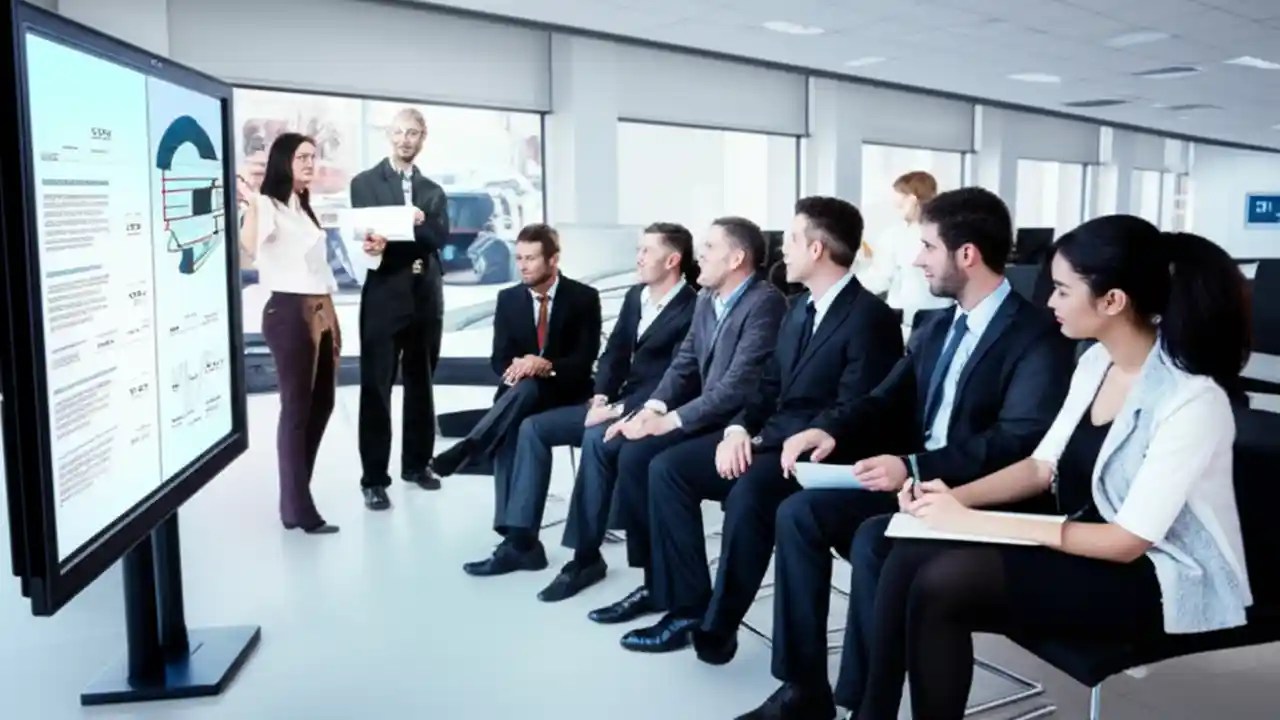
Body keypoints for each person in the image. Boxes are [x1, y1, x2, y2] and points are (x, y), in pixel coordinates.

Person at [848, 216, 1254, 720]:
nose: (1049, 303)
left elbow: (1128, 541)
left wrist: (973, 521)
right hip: (1089, 539)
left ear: (1112, 301)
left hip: (1156, 576)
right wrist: (950, 501)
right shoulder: (1094, 364)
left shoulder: (1192, 400)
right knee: (899, 541)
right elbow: (1042, 467)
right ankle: (872, 712)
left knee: (942, 583)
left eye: (1062, 290)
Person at [737, 186, 1076, 720]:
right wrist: (827, 429)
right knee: (798, 513)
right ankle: (804, 688)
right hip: (917, 483)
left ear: (967, 255)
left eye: (927, 248)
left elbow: (1014, 442)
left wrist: (915, 467)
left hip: (978, 495)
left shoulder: (1036, 337)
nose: (916, 260)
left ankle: (864, 705)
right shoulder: (934, 324)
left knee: (876, 541)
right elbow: (882, 399)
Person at [621, 197, 903, 657]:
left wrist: (761, 440)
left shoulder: (870, 318)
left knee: (750, 490)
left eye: (792, 239)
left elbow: (858, 410)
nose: (782, 250)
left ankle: (719, 623)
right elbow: (766, 386)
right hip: (772, 438)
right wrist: (738, 431)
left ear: (816, 249)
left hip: (820, 452)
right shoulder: (799, 310)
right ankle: (690, 606)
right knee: (668, 468)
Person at [537, 217, 788, 614]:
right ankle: (656, 582)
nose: (699, 255)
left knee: (652, 462)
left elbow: (738, 387)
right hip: (705, 414)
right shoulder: (709, 298)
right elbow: (685, 363)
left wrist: (667, 421)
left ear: (737, 257)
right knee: (629, 448)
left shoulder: (765, 303)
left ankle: (681, 598)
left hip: (740, 424)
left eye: (709, 247)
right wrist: (650, 410)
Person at [461, 223, 699, 576]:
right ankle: (521, 543)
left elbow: (677, 379)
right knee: (531, 427)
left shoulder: (693, 307)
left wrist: (617, 409)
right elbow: (614, 354)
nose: (638, 257)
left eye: (646, 251)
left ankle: (584, 557)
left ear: (672, 260)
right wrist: (602, 395)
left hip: (651, 410)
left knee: (594, 435)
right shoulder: (637, 297)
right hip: (608, 401)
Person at [429, 224, 603, 559]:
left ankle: (473, 445)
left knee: (526, 393)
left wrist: (543, 364)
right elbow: (498, 359)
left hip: (568, 392)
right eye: (519, 258)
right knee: (519, 413)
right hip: (522, 395)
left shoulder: (583, 298)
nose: (522, 265)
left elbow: (584, 360)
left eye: (531, 258)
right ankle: (517, 540)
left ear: (553, 260)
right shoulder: (508, 299)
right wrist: (521, 367)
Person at [237, 132, 341, 535]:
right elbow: (248, 250)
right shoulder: (267, 204)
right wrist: (249, 206)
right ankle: (298, 505)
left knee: (323, 405)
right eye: (302, 157)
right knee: (296, 411)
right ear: (284, 161)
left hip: (322, 308)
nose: (310, 164)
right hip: (291, 310)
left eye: (314, 157)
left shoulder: (300, 205)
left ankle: (295, 496)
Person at [352, 107, 450, 511]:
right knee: (376, 386)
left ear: (423, 137)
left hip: (425, 291)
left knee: (422, 382)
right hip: (384, 293)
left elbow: (437, 237)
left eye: (413, 133)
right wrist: (411, 225)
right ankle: (374, 478)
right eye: (399, 132)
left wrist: (401, 230)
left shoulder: (433, 190)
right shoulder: (365, 183)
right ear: (388, 136)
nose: (405, 139)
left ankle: (417, 464)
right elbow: (368, 229)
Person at [858, 171, 954, 337]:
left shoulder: (895, 236)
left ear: (912, 199)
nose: (897, 210)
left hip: (908, 324)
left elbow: (880, 280)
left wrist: (845, 283)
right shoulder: (949, 232)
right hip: (946, 320)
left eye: (900, 204)